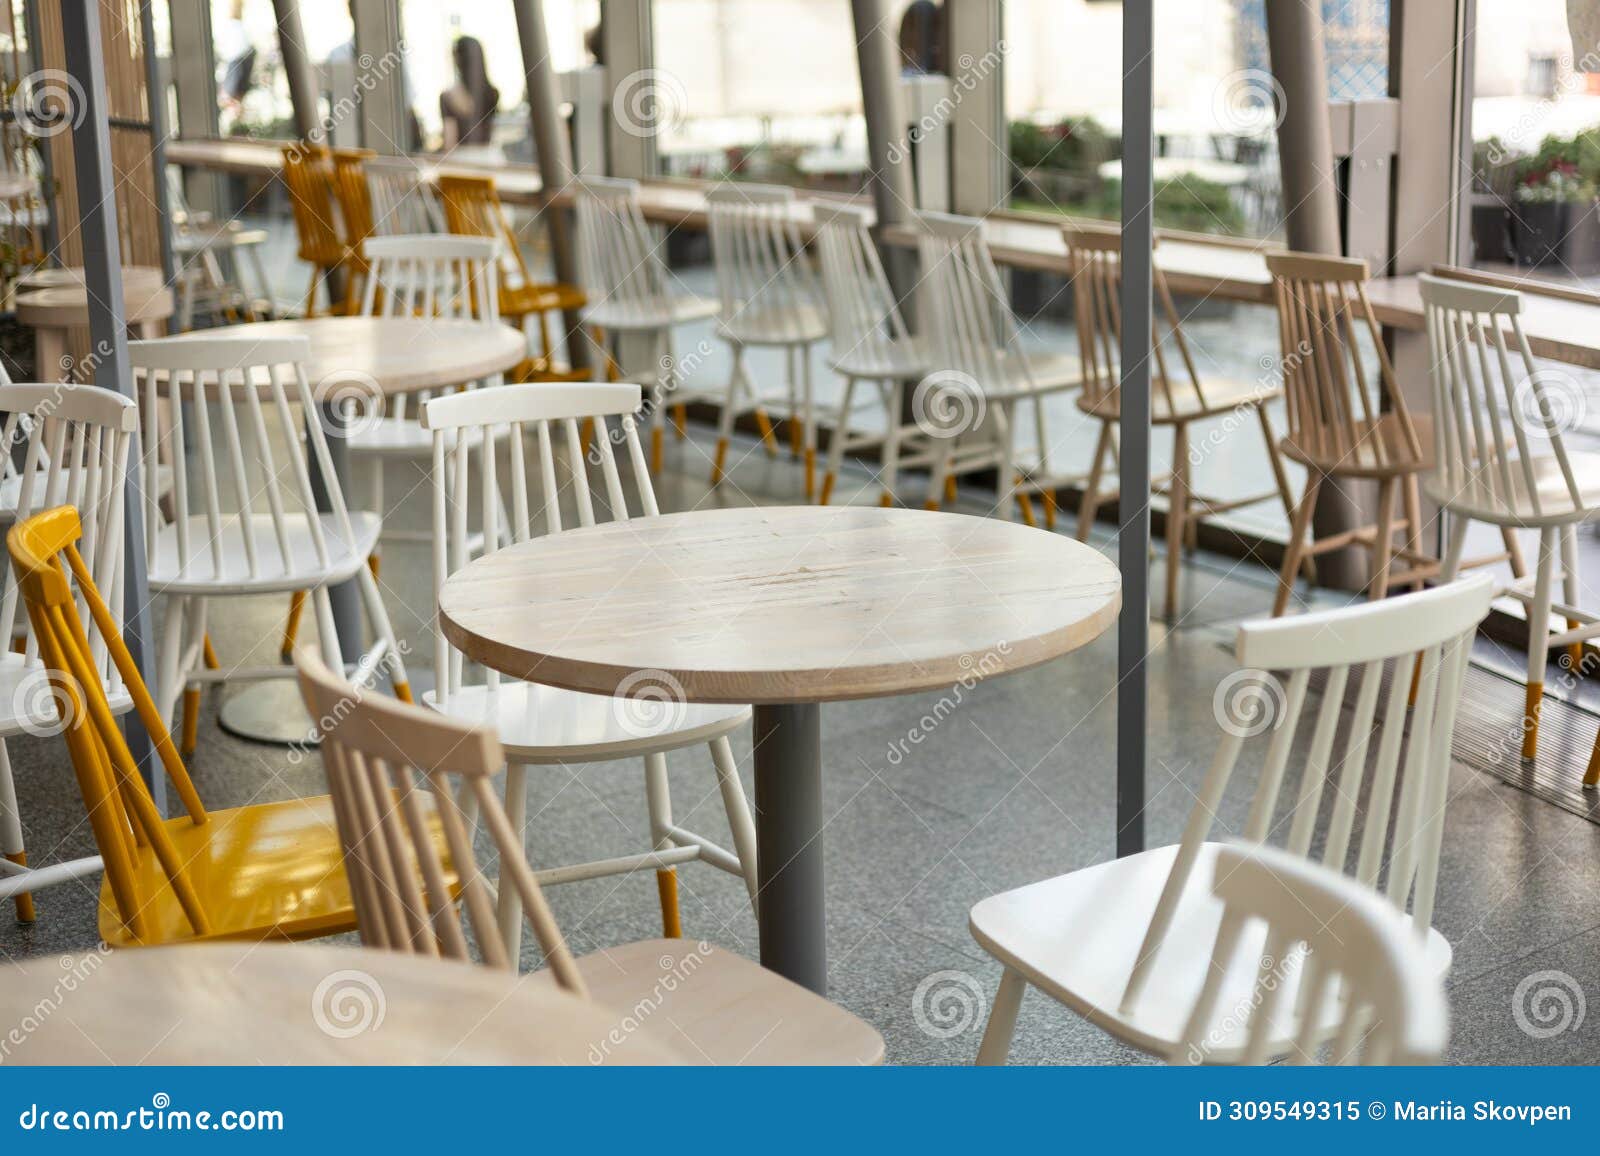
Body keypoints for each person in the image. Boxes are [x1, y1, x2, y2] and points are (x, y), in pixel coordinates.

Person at [439, 36, 498, 150]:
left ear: (458, 60)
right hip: (490, 156)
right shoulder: (493, 94)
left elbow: (449, 143)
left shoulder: (447, 96)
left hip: (462, 159)